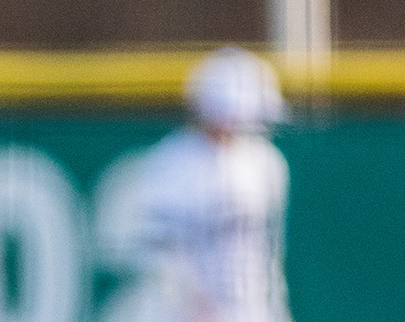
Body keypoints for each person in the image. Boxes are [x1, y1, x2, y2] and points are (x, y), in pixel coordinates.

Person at [116, 47, 294, 322]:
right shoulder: (172, 163)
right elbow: (160, 256)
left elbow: (268, 255)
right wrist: (193, 303)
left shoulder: (267, 162)